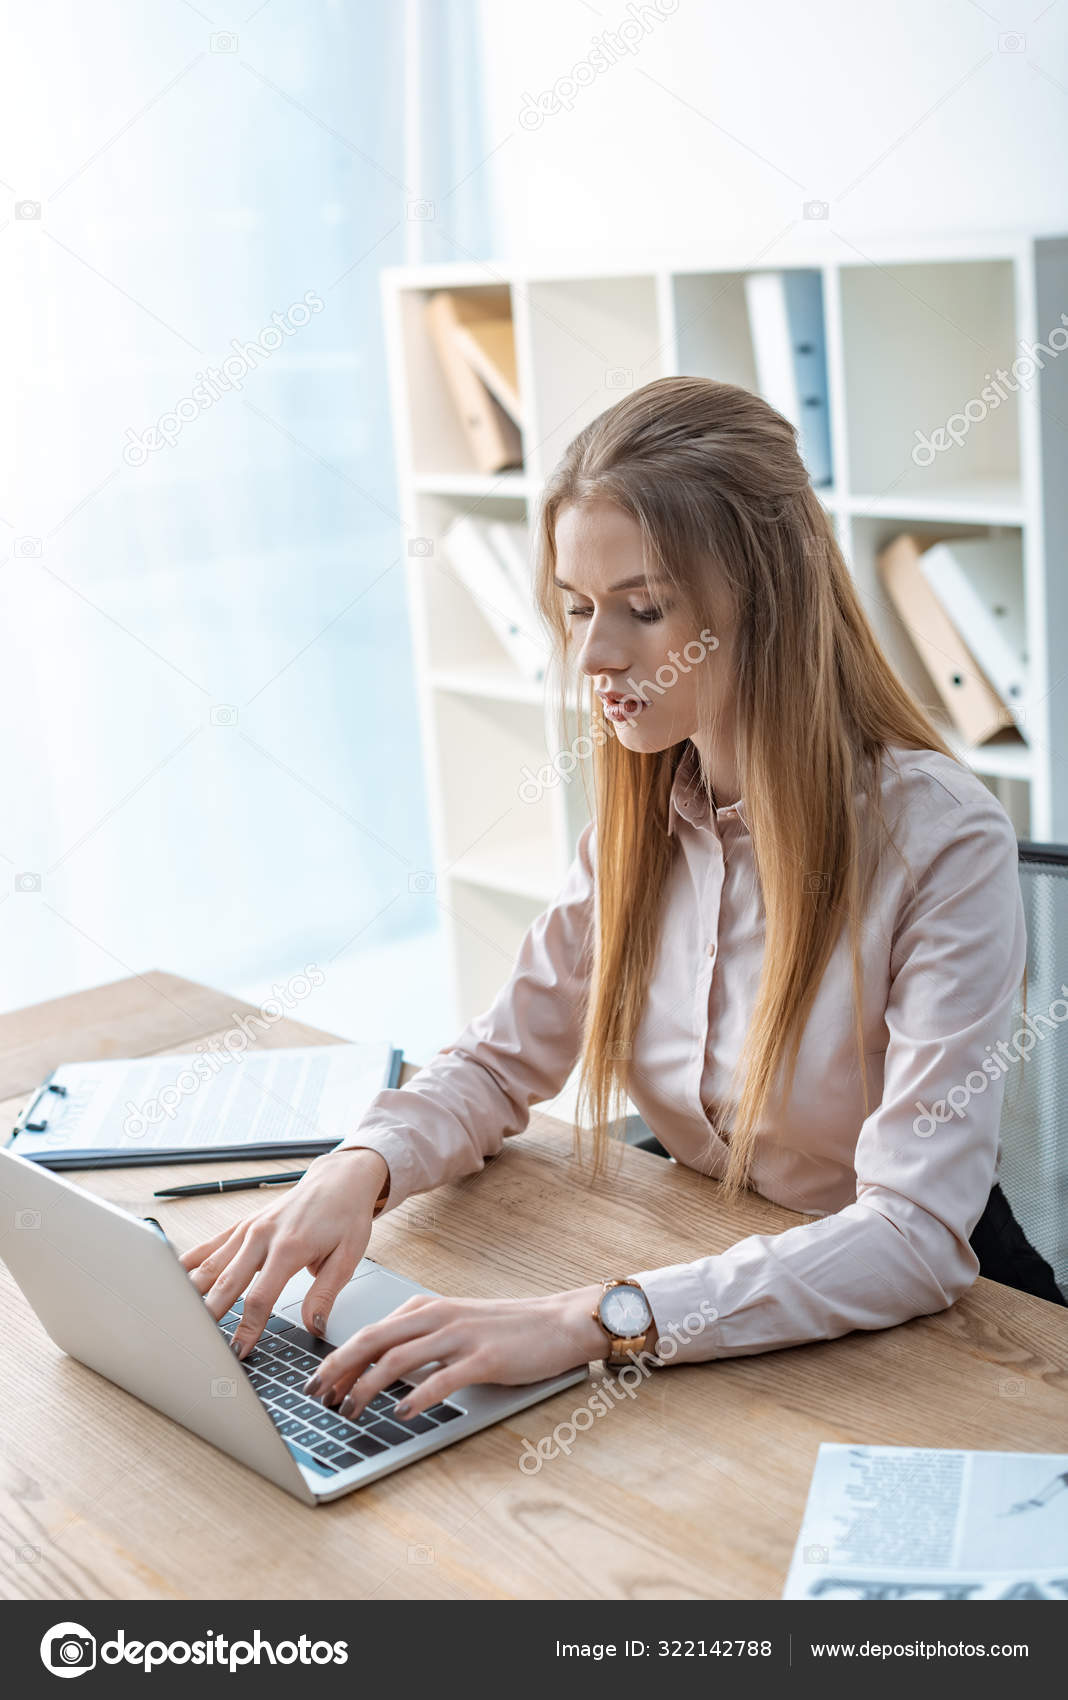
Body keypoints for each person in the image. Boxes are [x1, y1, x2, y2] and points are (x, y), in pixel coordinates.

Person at [182, 375, 1063, 1433]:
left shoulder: (940, 841)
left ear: (766, 602)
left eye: (644, 610)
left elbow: (914, 1233)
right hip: (708, 1272)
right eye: (576, 607)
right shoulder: (644, 821)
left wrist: (592, 1319)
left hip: (929, 1333)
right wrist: (359, 1168)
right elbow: (500, 1062)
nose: (594, 655)